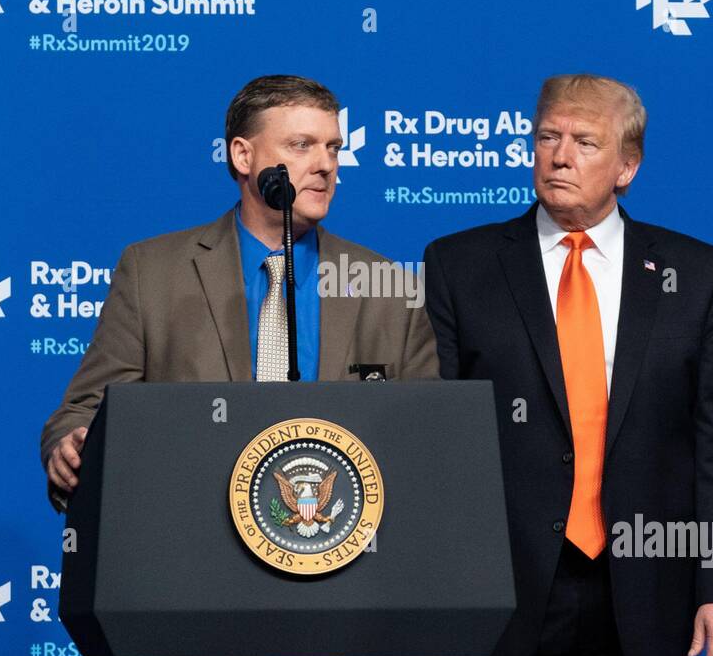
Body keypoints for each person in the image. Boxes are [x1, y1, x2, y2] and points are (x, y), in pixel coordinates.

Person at [423, 73, 713, 656]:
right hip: (506, 595)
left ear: (627, 166)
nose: (560, 155)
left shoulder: (696, 274)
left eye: (584, 141)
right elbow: (437, 438)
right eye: (547, 136)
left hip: (646, 592)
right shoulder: (460, 265)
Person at [42, 74, 438, 512]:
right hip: (192, 539)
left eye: (333, 148)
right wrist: (70, 444)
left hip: (341, 546)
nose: (326, 164)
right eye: (301, 145)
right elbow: (85, 410)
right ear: (243, 155)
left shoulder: (390, 286)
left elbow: (427, 434)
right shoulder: (151, 272)